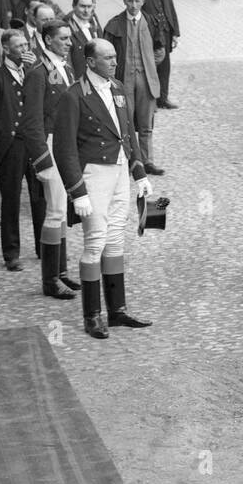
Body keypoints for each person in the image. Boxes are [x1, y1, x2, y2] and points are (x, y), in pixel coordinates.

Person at [53, 38, 153, 339]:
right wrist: (77, 189)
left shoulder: (119, 88)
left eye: (114, 57)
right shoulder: (74, 96)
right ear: (90, 61)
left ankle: (117, 310)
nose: (113, 62)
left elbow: (128, 132)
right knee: (95, 242)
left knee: (115, 240)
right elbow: (64, 147)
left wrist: (140, 171)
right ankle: (92, 314)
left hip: (120, 169)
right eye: (107, 58)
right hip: (94, 173)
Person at [0, 31, 46, 272]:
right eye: (18, 46)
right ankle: (11, 253)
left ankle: (43, 246)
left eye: (26, 44)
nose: (24, 50)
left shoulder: (36, 74)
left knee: (40, 197)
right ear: (6, 49)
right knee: (11, 200)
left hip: (34, 143)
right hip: (12, 145)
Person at [30, 18, 79, 300]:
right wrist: (43, 160)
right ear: (48, 41)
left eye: (70, 38)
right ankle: (50, 280)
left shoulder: (65, 67)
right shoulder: (39, 72)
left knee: (61, 211)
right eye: (63, 39)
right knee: (55, 211)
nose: (69, 43)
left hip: (65, 143)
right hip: (50, 145)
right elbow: (32, 121)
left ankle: (60, 272)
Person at [103, 0, 163, 175]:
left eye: (137, 1)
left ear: (143, 1)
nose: (134, 5)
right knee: (125, 121)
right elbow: (106, 53)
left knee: (146, 123)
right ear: (124, 1)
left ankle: (147, 161)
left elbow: (160, 50)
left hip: (146, 80)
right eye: (130, 1)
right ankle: (130, 161)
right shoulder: (114, 25)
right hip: (123, 80)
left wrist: (149, 65)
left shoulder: (152, 22)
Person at [142, 0, 180, 108]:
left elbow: (171, 12)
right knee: (152, 68)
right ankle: (151, 100)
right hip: (151, 38)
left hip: (166, 35)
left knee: (165, 68)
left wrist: (175, 33)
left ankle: (163, 99)